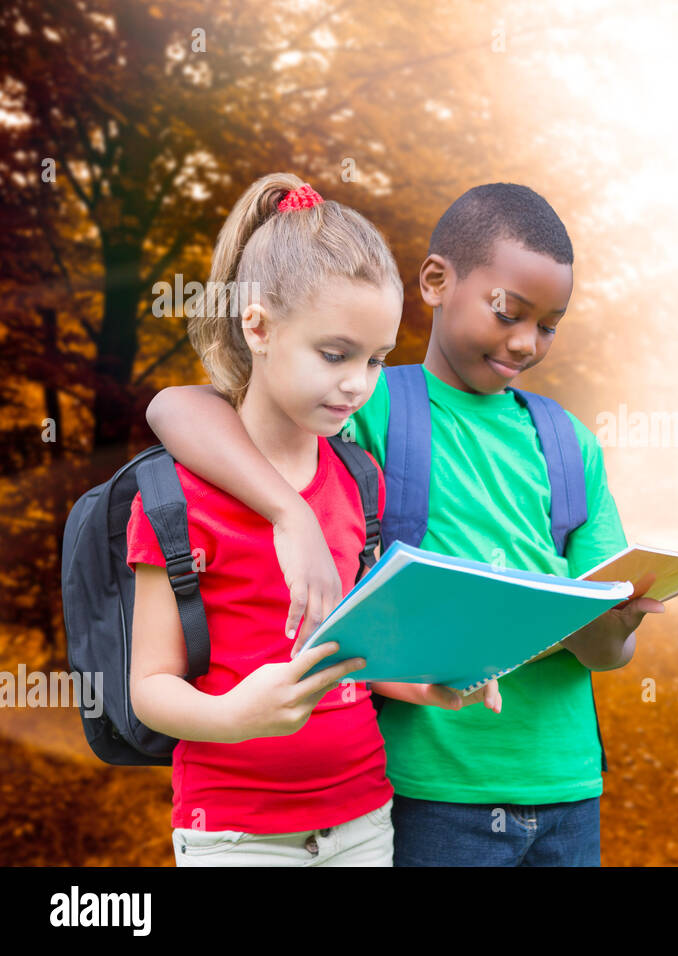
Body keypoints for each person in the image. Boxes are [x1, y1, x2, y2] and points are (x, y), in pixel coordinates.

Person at [145, 182, 664, 866]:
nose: (525, 341)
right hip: (427, 782)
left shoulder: (570, 443)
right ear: (436, 281)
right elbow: (177, 410)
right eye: (508, 311)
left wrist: (613, 627)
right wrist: (289, 511)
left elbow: (608, 652)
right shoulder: (367, 408)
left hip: (566, 778)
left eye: (549, 323)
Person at [128, 173, 499, 868]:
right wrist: (233, 717)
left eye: (378, 360)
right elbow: (149, 688)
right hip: (234, 831)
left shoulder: (361, 482)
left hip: (362, 814)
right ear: (259, 326)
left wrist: (429, 680)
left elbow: (356, 654)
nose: (358, 382)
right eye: (335, 354)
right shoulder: (176, 498)